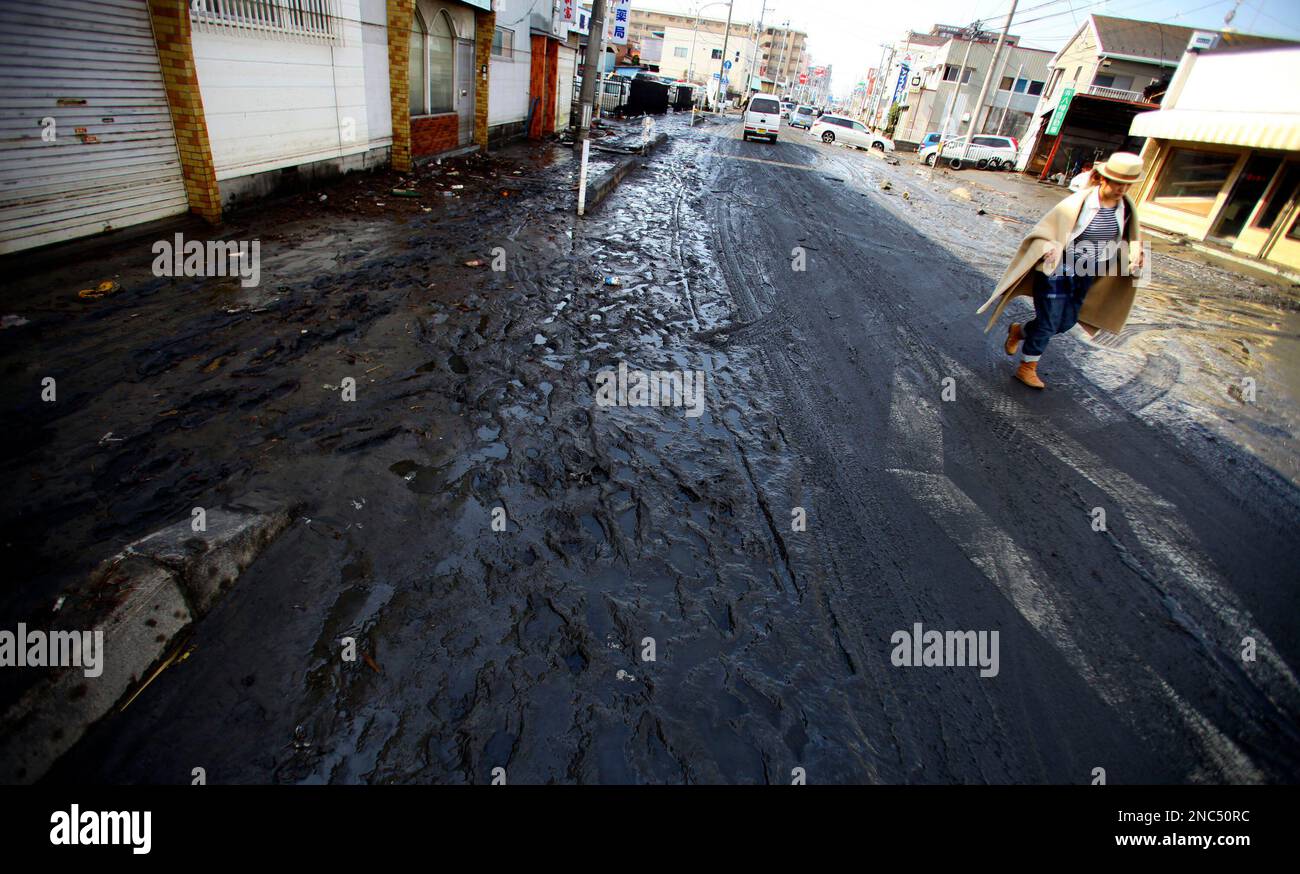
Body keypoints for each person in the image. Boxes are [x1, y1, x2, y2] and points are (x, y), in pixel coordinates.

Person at [976, 152, 1146, 389]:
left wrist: (1137, 254)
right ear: (1102, 179)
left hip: (1087, 273)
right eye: (1118, 183)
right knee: (1048, 321)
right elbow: (1047, 229)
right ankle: (1027, 367)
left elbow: (1131, 239)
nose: (1122, 189)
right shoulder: (1079, 203)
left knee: (1065, 322)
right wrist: (1048, 247)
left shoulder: (1126, 209)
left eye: (1127, 184)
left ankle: (1020, 331)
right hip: (1058, 270)